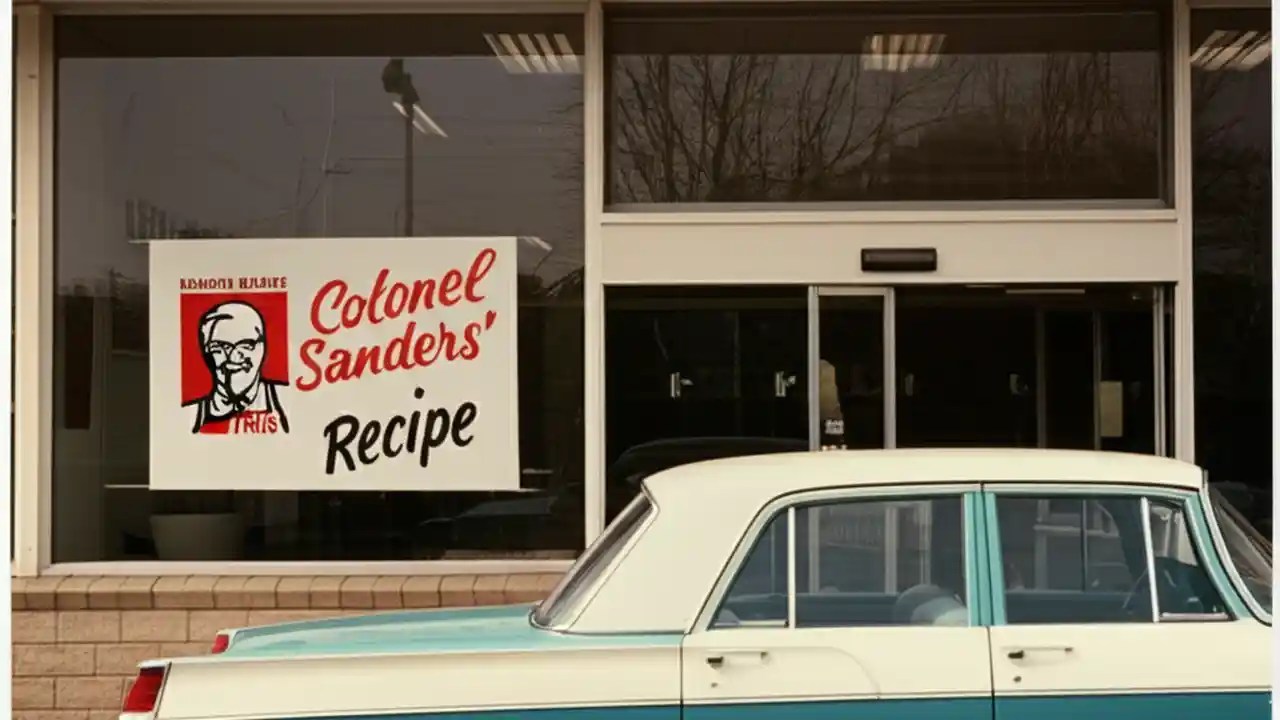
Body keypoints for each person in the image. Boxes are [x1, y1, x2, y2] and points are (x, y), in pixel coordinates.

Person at [184, 300, 290, 434]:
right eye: (220, 346)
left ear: (263, 348)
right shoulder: (187, 417)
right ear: (206, 351)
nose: (233, 356)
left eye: (246, 345)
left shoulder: (288, 401)